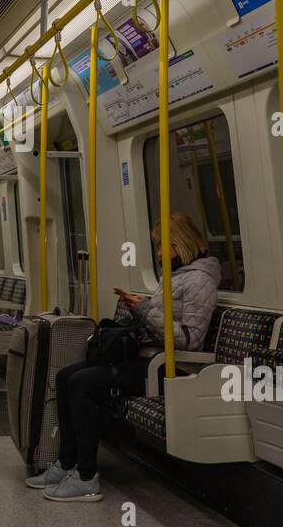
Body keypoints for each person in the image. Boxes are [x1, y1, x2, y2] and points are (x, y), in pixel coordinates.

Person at [30, 212, 221, 502]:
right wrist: (141, 309)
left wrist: (144, 311)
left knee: (81, 383)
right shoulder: (176, 277)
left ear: (179, 243)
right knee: (65, 376)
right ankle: (67, 463)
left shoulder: (199, 281)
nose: (159, 253)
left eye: (161, 246)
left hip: (171, 368)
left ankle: (86, 478)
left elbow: (189, 340)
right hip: (150, 358)